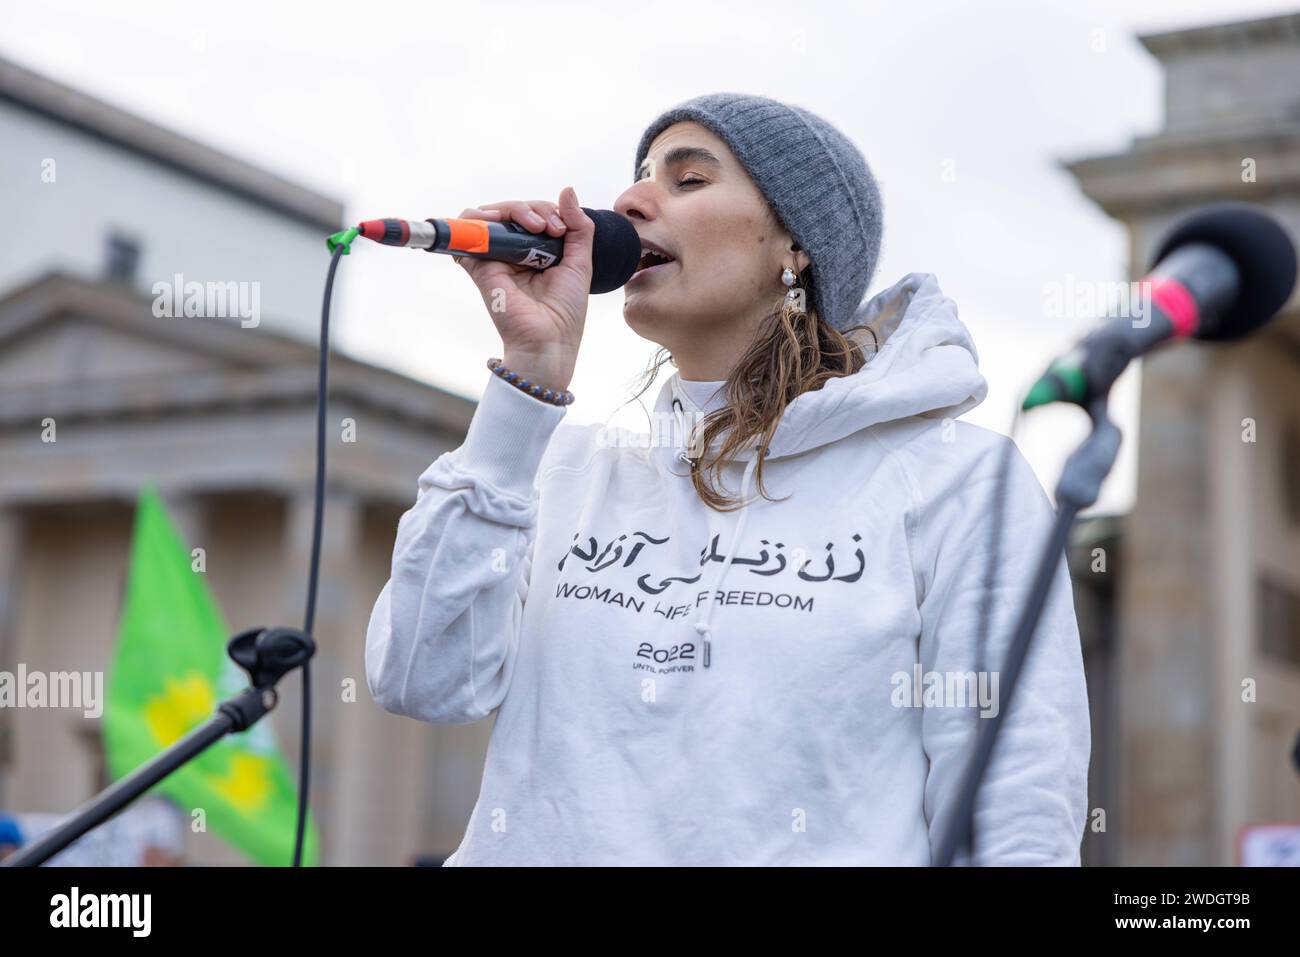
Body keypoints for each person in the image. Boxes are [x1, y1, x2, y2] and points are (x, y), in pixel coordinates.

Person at [365, 92, 1090, 866]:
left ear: (795, 245)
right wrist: (526, 382)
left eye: (688, 180)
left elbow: (1014, 808)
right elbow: (420, 678)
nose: (632, 200)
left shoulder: (957, 479)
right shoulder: (563, 469)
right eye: (639, 176)